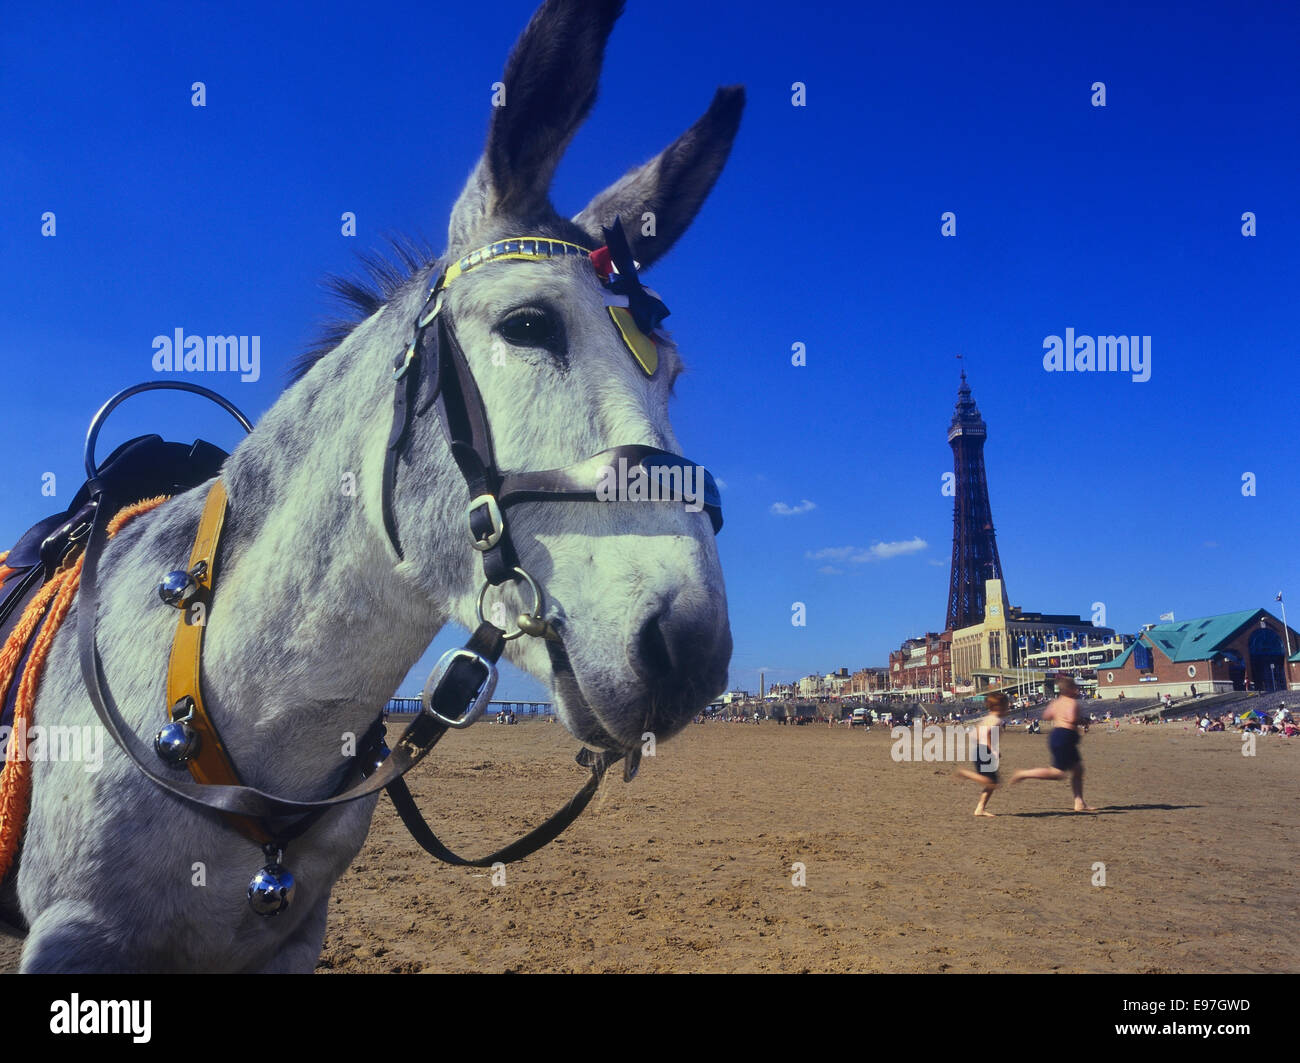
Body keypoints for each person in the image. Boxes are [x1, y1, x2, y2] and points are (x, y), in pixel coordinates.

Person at [1009, 676, 1095, 812]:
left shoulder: (1056, 702)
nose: (1078, 690)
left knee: (1078, 769)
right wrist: (1082, 720)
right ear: (1071, 690)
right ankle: (1023, 773)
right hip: (1065, 737)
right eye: (1076, 688)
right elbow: (1072, 718)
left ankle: (1079, 802)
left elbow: (1046, 715)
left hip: (1057, 735)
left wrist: (1059, 715)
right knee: (1057, 773)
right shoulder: (1072, 703)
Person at [952, 691, 1009, 816]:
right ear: (999, 707)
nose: (1008, 709)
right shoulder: (996, 720)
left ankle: (980, 809)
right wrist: (993, 749)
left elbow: (975, 734)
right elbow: (988, 733)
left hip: (979, 749)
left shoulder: (987, 718)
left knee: (992, 783)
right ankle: (965, 773)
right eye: (1006, 706)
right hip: (985, 751)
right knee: (991, 782)